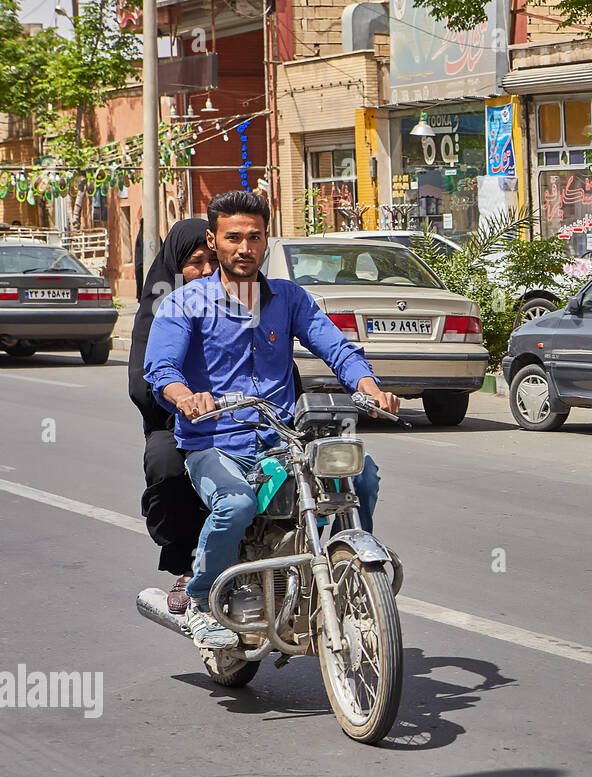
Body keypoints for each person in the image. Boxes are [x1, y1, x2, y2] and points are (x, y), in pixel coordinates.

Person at [144, 190, 399, 650]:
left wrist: (369, 388)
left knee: (360, 476)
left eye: (255, 237)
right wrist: (185, 398)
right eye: (233, 237)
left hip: (284, 438)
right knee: (236, 505)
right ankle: (203, 601)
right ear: (214, 240)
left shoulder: (289, 298)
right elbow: (161, 370)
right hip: (215, 439)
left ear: (267, 241)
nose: (245, 248)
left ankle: (350, 572)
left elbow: (337, 349)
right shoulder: (184, 304)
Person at [127, 218, 215, 614]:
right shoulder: (161, 307)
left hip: (240, 419)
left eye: (215, 260)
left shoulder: (244, 301)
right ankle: (189, 563)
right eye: (197, 262)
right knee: (165, 465)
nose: (208, 271)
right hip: (175, 425)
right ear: (177, 265)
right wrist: (184, 402)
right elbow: (143, 383)